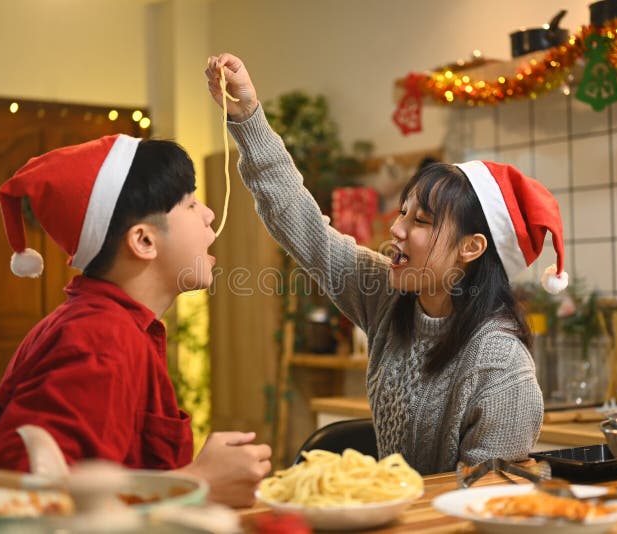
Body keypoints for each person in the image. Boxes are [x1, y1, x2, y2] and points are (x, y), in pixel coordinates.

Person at [205, 53, 569, 475]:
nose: (396, 229)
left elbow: (487, 497)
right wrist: (249, 117)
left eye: (420, 221)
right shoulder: (388, 293)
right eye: (402, 212)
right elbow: (301, 224)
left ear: (471, 248)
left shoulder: (501, 363)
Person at [0, 134, 271, 507]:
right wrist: (197, 483)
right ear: (143, 241)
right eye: (191, 204)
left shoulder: (118, 329)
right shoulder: (99, 340)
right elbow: (21, 506)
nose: (210, 214)